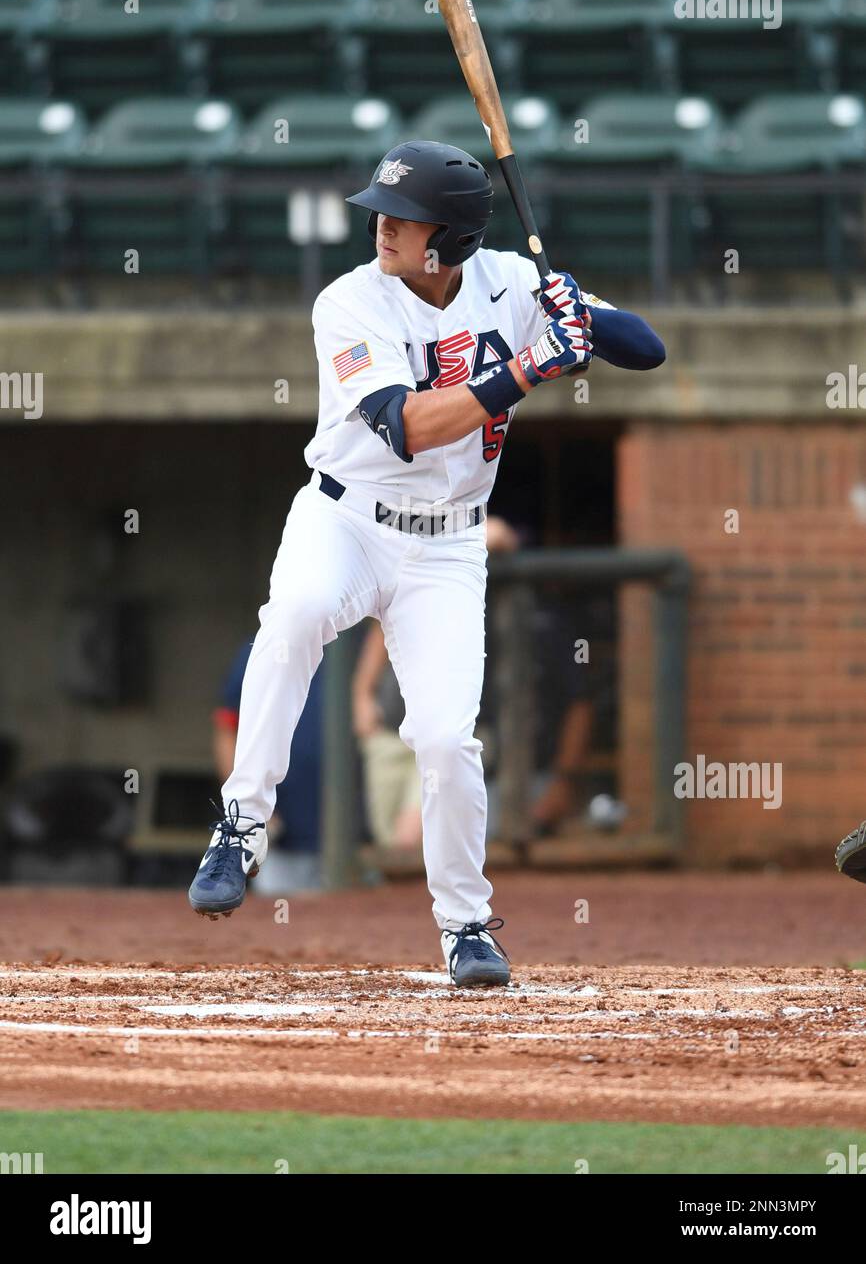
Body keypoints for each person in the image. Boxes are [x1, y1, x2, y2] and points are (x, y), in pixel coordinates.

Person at [188, 138, 665, 987]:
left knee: (445, 738)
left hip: (448, 543)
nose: (380, 226)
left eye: (400, 218)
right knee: (295, 616)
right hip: (346, 519)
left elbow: (649, 350)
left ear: (446, 238)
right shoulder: (348, 302)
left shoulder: (511, 282)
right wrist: (526, 370)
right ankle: (241, 824)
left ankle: (466, 925)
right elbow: (403, 425)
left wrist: (580, 316)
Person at [352, 515, 520, 851]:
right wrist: (361, 694)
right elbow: (380, 632)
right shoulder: (407, 531)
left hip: (446, 727)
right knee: (391, 843)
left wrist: (438, 546)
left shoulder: (466, 532)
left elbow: (502, 535)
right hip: (391, 724)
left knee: (412, 836)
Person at [213, 641, 322, 892]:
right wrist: (249, 807)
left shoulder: (363, 646)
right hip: (281, 835)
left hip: (356, 840)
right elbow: (227, 730)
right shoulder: (261, 648)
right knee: (279, 919)